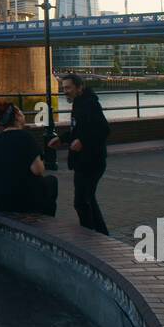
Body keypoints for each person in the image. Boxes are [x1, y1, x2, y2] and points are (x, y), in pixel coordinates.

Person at [47, 73, 110, 234]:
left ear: (79, 87)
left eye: (68, 87)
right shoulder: (79, 103)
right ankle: (100, 234)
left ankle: (88, 235)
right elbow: (77, 131)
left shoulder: (90, 104)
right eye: (63, 88)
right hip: (83, 161)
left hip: (92, 161)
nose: (65, 91)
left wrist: (83, 141)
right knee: (87, 199)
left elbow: (103, 129)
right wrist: (61, 139)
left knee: (81, 202)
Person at [0, 101, 57, 216]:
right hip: (24, 201)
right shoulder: (26, 137)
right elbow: (38, 170)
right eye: (21, 112)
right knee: (52, 181)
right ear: (18, 117)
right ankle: (45, 221)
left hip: (1, 201)